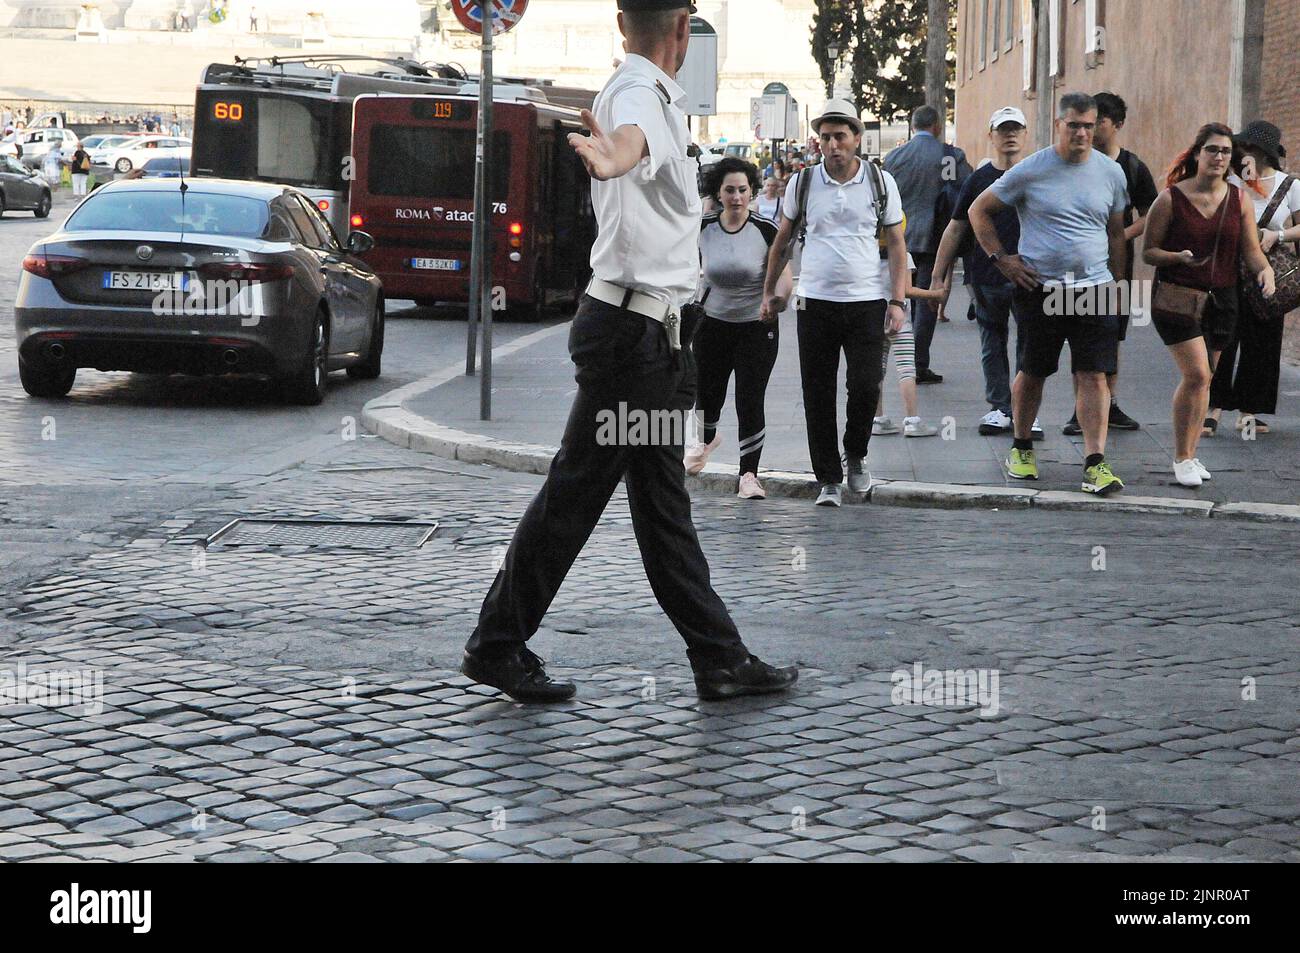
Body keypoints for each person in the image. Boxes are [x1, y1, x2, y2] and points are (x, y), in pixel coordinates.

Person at [461, 0, 797, 704]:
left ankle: (718, 656)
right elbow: (630, 145)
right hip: (632, 340)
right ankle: (498, 642)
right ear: (684, 28)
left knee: (654, 501)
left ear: (623, 22)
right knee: (585, 493)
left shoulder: (649, 96)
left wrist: (618, 155)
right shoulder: (640, 94)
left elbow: (634, 151)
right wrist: (615, 156)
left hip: (650, 336)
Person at [968, 92, 1129, 496]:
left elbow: (1115, 232)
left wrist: (1120, 284)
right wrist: (1001, 259)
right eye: (1073, 124)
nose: (1081, 132)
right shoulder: (1031, 169)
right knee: (1034, 370)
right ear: (1058, 125)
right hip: (1041, 288)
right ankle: (1021, 447)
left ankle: (1095, 462)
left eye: (1089, 125)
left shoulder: (1111, 173)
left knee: (1093, 373)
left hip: (1094, 288)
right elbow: (978, 211)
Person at [761, 98, 908, 508]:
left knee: (865, 384)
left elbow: (897, 246)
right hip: (815, 303)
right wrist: (768, 291)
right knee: (817, 392)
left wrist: (897, 301)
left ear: (856, 139)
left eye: (840, 136)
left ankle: (855, 454)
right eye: (825, 137)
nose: (832, 145)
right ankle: (827, 477)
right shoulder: (803, 182)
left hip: (866, 301)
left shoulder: (880, 182)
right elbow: (783, 240)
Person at [1143, 123, 1274, 486]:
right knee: (1197, 375)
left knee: (1206, 380)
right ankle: (1182, 458)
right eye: (1212, 150)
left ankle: (1191, 453)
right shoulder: (1171, 198)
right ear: (1197, 153)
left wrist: (1266, 272)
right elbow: (1149, 252)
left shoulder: (1239, 200)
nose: (1219, 157)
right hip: (1178, 299)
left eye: (1226, 152)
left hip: (1223, 301)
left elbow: (1251, 250)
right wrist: (1176, 257)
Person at [684, 157, 793, 499]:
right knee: (707, 398)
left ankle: (749, 474)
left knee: (749, 399)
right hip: (712, 325)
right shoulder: (702, 228)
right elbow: (685, 270)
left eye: (743, 190)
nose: (736, 197)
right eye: (729, 190)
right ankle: (705, 441)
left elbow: (785, 277)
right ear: (718, 193)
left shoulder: (766, 230)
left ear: (752, 192)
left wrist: (778, 299)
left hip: (756, 327)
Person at [932, 106, 1042, 439]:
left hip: (1031, 275)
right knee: (991, 342)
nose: (1010, 135)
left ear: (1025, 134)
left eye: (1016, 129)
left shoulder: (1036, 175)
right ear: (991, 136)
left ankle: (1026, 409)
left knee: (1030, 344)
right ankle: (999, 407)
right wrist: (938, 276)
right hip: (988, 274)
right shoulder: (978, 180)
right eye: (1003, 129)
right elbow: (955, 228)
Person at [1061, 92, 1154, 436]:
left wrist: (1120, 236)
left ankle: (1109, 403)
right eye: (1085, 121)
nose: (1091, 128)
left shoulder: (1130, 167)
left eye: (1098, 121)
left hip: (1115, 266)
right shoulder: (1071, 163)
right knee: (1078, 335)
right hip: (1076, 268)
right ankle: (1079, 409)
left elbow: (1151, 213)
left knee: (1111, 333)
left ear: (1116, 125)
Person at [1206, 120, 1300, 436]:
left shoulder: (1290, 185)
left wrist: (1279, 235)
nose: (1239, 152)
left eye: (1245, 147)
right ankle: (1212, 408)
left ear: (1260, 152)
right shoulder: (1230, 182)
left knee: (1262, 342)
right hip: (1229, 271)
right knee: (1222, 337)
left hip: (1267, 272)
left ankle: (1249, 412)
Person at [884, 104, 972, 385]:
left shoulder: (894, 157)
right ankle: (918, 362)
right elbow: (966, 192)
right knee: (927, 302)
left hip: (899, 237)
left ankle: (888, 358)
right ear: (937, 126)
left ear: (912, 126)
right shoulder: (950, 156)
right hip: (936, 239)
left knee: (896, 297)